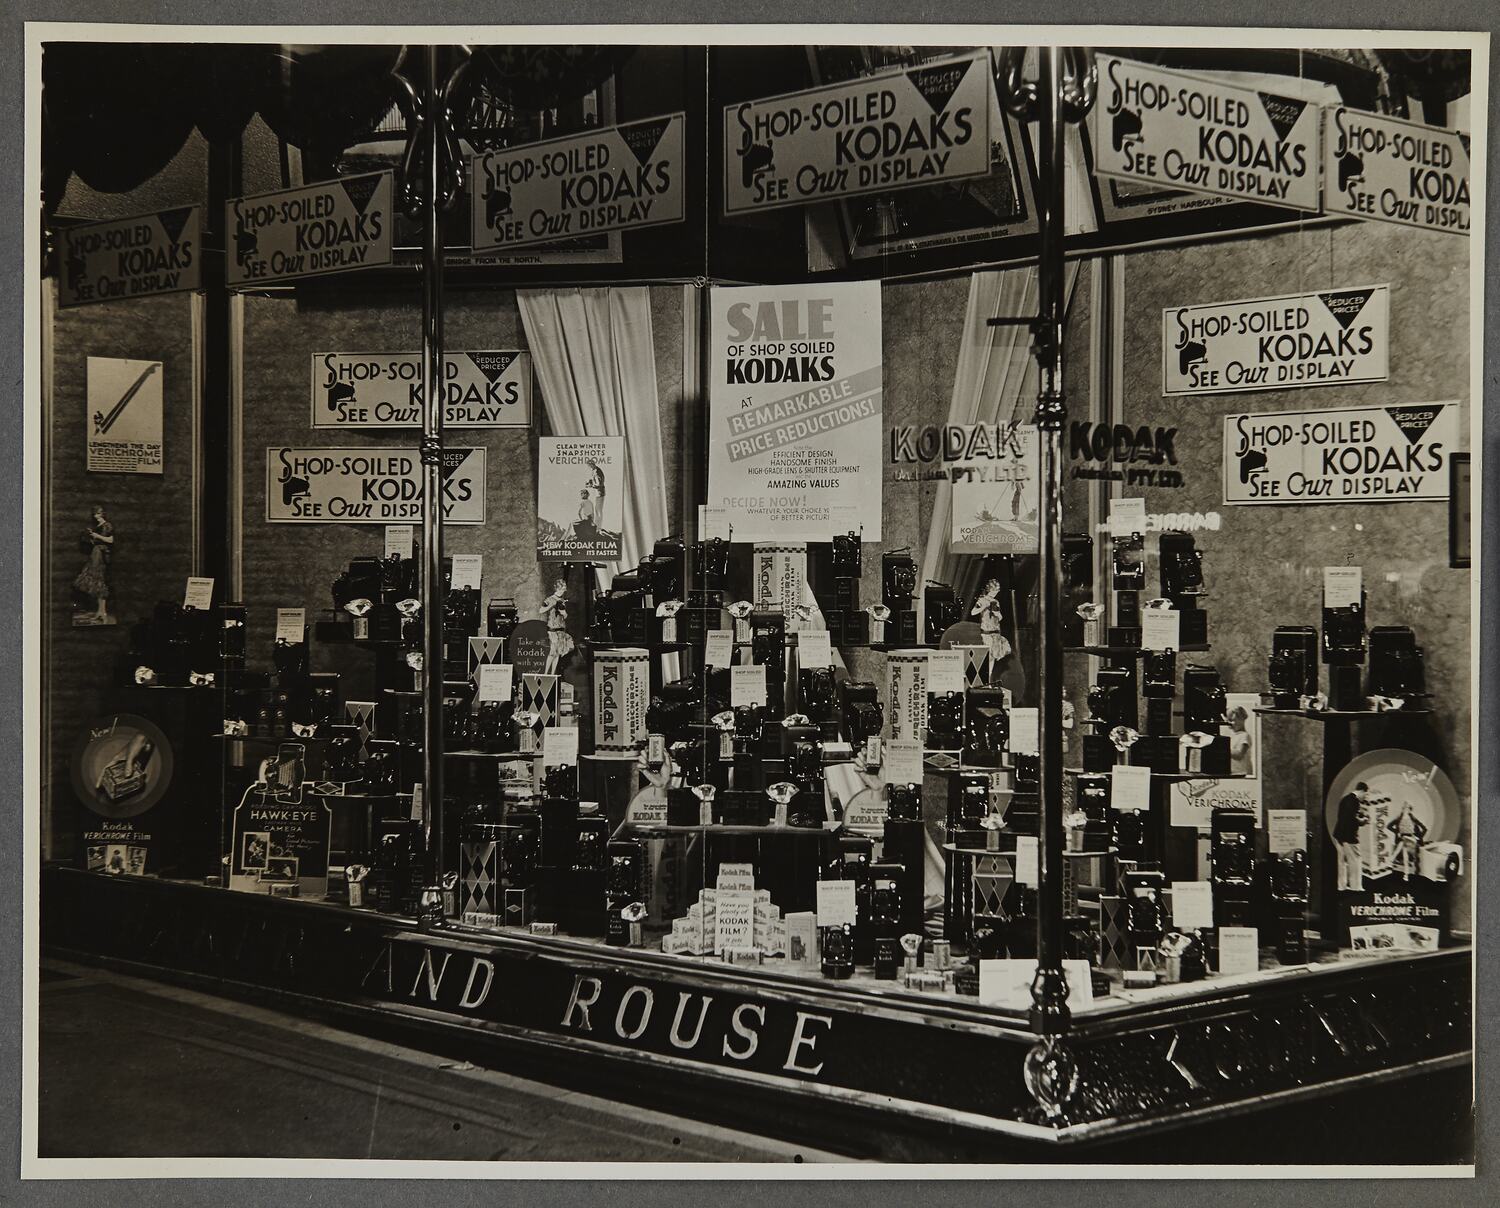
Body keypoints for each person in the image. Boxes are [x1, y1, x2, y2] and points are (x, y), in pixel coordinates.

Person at [73, 504, 115, 622]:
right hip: (95, 553)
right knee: (97, 581)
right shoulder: (99, 526)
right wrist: (91, 537)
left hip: (101, 554)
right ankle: (100, 611)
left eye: (98, 514)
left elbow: (111, 540)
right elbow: (97, 542)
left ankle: (103, 612)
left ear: (103, 514)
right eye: (95, 514)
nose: (96, 516)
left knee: (100, 580)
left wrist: (97, 536)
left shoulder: (107, 525)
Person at [1333, 781, 1371, 891]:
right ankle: (1356, 887)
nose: (1366, 797)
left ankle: (1342, 886)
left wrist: (1358, 817)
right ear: (1361, 791)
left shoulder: (1345, 799)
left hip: (1339, 834)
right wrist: (1363, 821)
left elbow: (1345, 817)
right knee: (1356, 861)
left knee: (1342, 862)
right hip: (1349, 836)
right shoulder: (1355, 802)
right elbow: (1351, 820)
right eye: (1366, 794)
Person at [1387, 801, 1428, 879]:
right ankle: (1406, 875)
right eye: (1404, 808)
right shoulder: (1399, 818)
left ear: (1410, 809)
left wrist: (1418, 837)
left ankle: (1391, 859)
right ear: (1402, 809)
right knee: (1405, 854)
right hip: (1404, 840)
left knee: (1403, 842)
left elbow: (1425, 829)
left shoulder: (1413, 818)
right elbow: (1389, 826)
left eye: (1407, 808)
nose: (1405, 809)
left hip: (1413, 840)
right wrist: (1397, 832)